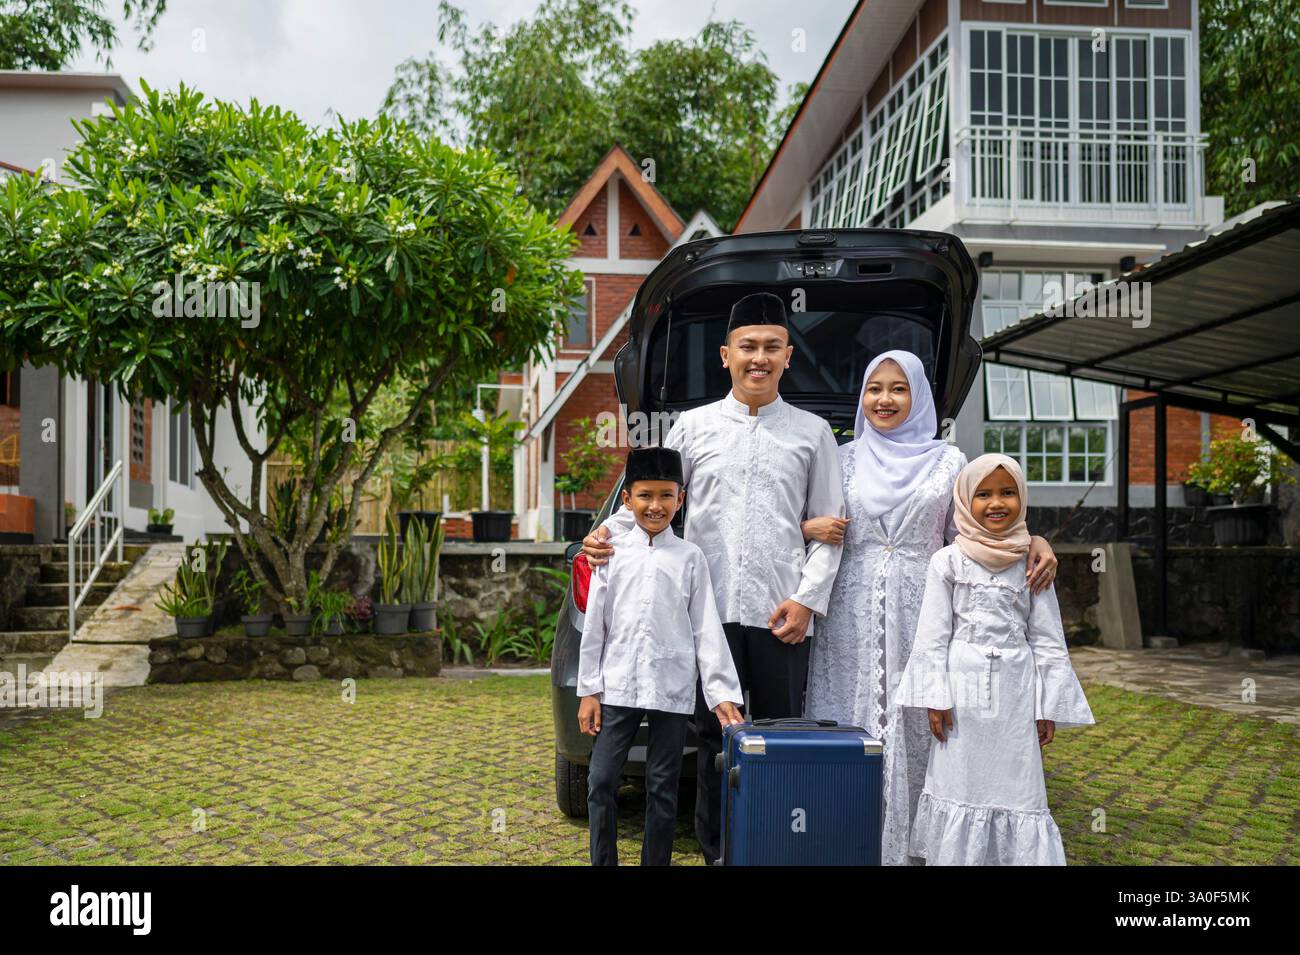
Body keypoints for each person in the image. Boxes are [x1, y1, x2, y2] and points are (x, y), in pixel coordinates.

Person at [582, 291, 844, 865]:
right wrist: (604, 535)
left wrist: (806, 602)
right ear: (725, 355)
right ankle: (712, 849)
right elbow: (653, 503)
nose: (759, 358)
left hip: (781, 614)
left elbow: (831, 531)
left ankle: (776, 844)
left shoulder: (813, 433)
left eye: (772, 347)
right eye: (747, 347)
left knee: (778, 737)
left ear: (788, 355)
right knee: (708, 740)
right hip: (701, 618)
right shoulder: (692, 428)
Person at [801, 350, 1060, 865]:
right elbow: (804, 518)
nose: (885, 399)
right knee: (848, 717)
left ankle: (914, 846)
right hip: (847, 609)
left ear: (918, 395)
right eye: (875, 388)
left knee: (919, 720)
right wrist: (806, 528)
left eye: (898, 388)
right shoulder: (841, 456)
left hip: (925, 605)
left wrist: (1034, 541)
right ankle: (842, 840)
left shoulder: (950, 460)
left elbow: (974, 531)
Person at [893, 453, 1094, 865]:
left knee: (1016, 783)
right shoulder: (947, 561)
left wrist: (1047, 705)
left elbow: (1048, 639)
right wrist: (936, 696)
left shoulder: (1033, 563)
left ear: (1023, 498)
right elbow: (932, 635)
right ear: (965, 501)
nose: (996, 503)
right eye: (983, 494)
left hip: (1016, 691)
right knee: (961, 777)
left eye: (1008, 492)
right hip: (961, 692)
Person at [577, 445, 744, 866]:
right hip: (616, 686)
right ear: (627, 499)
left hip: (671, 687)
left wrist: (722, 692)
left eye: (666, 496)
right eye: (646, 496)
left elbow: (706, 628)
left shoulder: (690, 558)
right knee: (600, 781)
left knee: (663, 787)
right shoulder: (609, 554)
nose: (656, 506)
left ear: (680, 499)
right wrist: (588, 691)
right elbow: (594, 626)